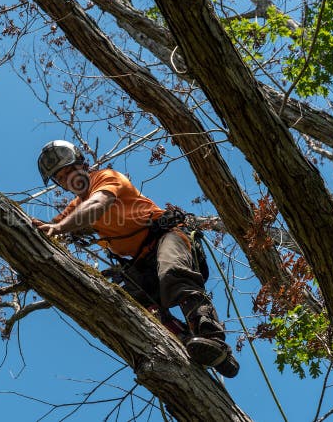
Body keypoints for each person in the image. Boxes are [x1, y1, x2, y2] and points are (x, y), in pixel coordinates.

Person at [32, 140, 239, 378]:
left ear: (82, 164)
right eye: (60, 177)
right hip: (142, 264)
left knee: (172, 273)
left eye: (69, 170)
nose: (67, 178)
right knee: (129, 303)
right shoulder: (76, 205)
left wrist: (60, 228)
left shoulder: (106, 178)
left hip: (167, 237)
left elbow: (98, 204)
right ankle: (187, 342)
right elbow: (52, 226)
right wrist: (41, 227)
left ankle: (212, 338)